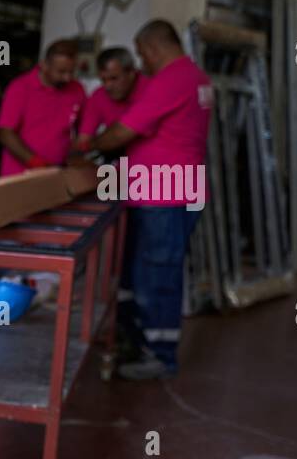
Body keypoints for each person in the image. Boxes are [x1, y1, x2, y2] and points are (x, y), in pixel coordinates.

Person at [90, 19, 212, 380]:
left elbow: (123, 132)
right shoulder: (197, 78)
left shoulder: (172, 80)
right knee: (144, 271)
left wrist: (91, 146)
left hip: (166, 192)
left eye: (143, 55)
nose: (142, 63)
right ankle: (138, 339)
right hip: (172, 189)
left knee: (158, 272)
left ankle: (160, 355)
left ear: (155, 48)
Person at [0, 38, 86, 174]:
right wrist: (37, 163)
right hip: (19, 175)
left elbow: (81, 130)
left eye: (71, 72)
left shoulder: (77, 89)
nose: (67, 78)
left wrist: (76, 154)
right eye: (61, 72)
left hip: (57, 174)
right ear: (44, 65)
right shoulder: (20, 87)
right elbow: (5, 133)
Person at [74, 46, 147, 151]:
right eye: (103, 80)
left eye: (114, 78)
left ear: (131, 73)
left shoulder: (151, 88)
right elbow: (84, 140)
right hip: (117, 159)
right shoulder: (99, 95)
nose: (108, 86)